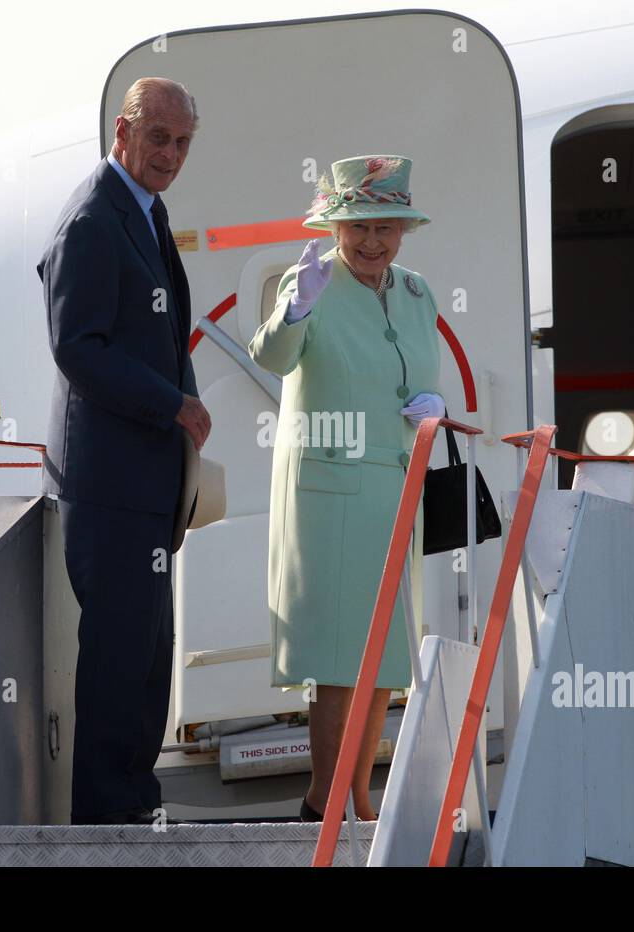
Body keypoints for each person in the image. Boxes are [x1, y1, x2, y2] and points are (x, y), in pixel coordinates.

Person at [248, 155, 444, 822]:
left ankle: (353, 798)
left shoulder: (417, 292)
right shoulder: (312, 282)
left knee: (384, 657)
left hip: (393, 489)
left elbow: (417, 373)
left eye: (385, 226)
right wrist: (294, 308)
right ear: (333, 225)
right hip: (328, 498)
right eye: (357, 226)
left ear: (403, 229)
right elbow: (271, 357)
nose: (371, 241)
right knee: (338, 657)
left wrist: (432, 404)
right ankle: (326, 801)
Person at [38, 77, 210, 825]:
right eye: (158, 138)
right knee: (117, 660)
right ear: (122, 132)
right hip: (110, 485)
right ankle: (108, 826)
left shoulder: (142, 210)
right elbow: (77, 348)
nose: (170, 154)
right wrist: (170, 402)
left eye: (182, 143)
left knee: (147, 656)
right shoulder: (91, 220)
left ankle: (136, 811)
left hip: (146, 486)